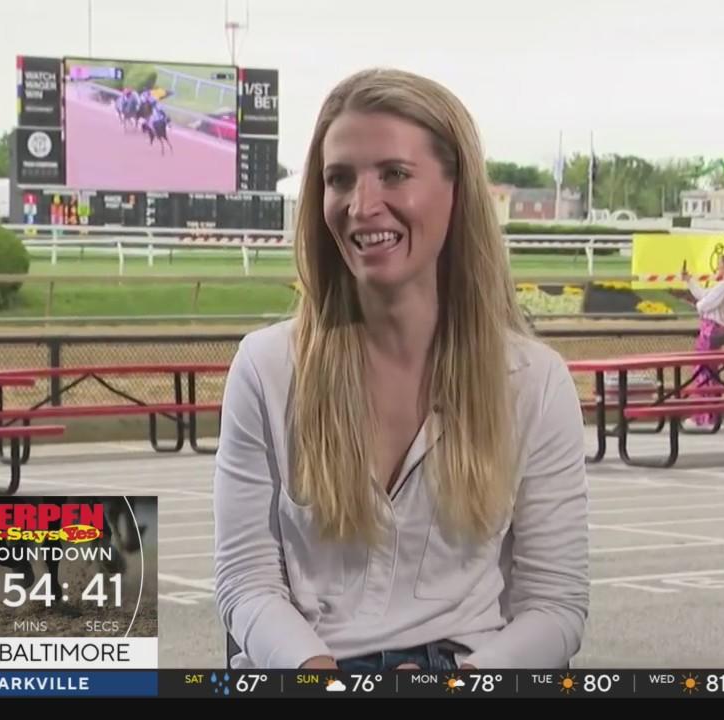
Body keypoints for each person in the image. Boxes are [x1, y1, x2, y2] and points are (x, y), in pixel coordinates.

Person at [213, 68, 589, 671]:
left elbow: (556, 607)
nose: (362, 206)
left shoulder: (536, 382)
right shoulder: (265, 368)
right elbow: (246, 583)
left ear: (456, 190)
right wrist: (322, 679)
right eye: (340, 179)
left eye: (394, 174)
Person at [681, 254, 724, 427]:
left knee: (703, 371)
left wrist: (697, 306)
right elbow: (704, 295)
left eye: (720, 265)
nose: (717, 268)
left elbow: (705, 303)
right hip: (714, 329)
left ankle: (703, 415)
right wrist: (690, 281)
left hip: (710, 330)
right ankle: (709, 414)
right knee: (710, 372)